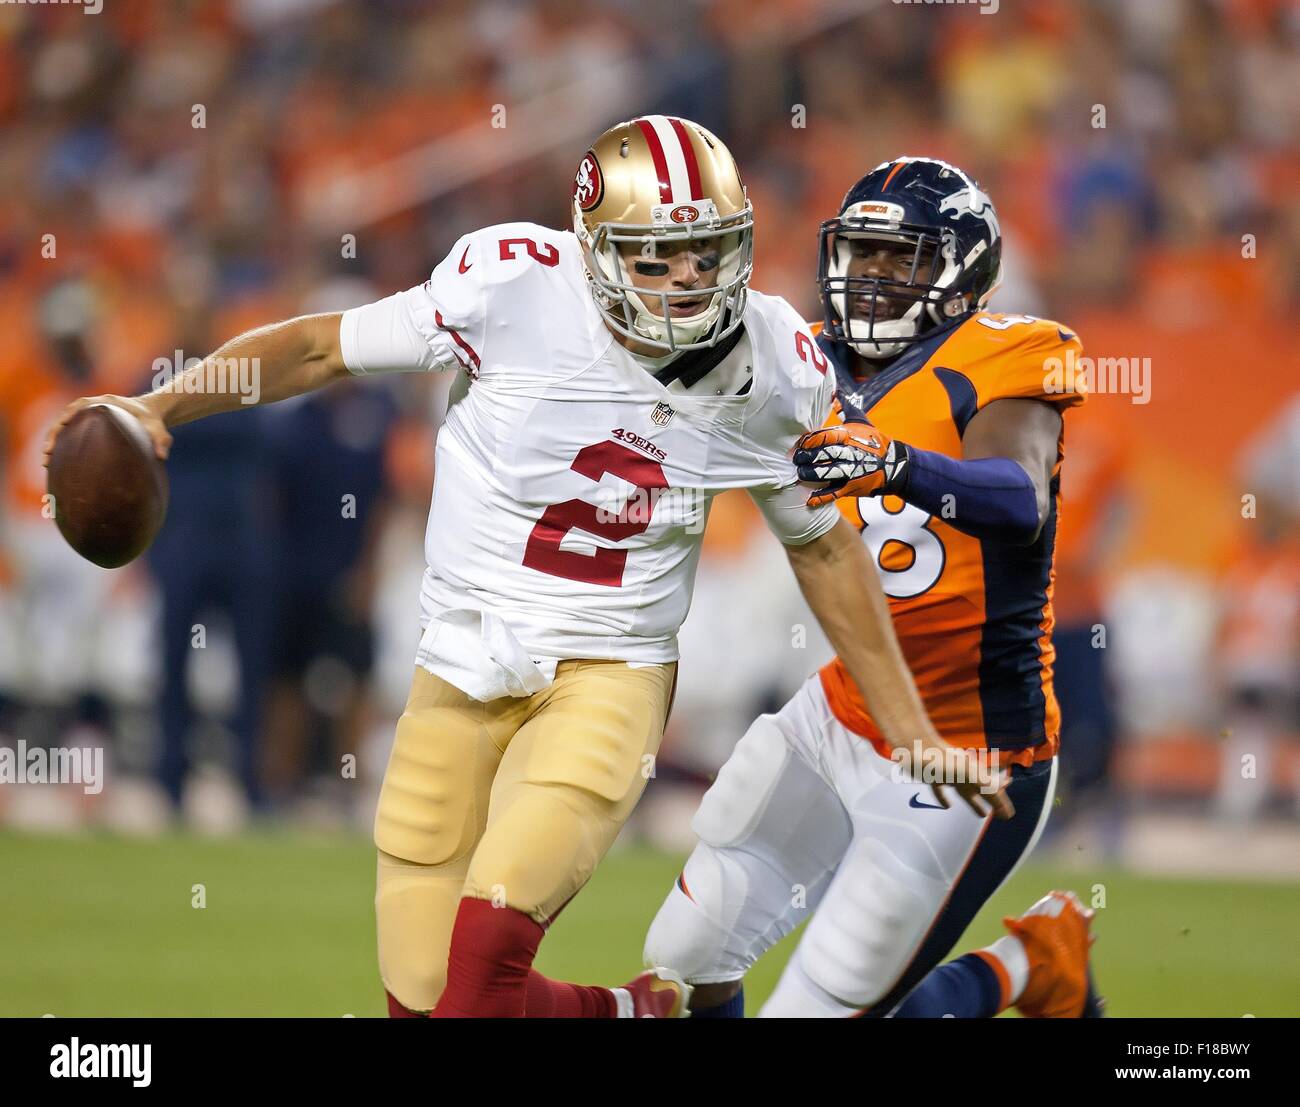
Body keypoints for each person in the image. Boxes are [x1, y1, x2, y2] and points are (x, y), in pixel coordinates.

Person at [44, 121, 1002, 1019]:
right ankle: (633, 1009)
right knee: (422, 1004)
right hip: (458, 667)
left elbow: (824, 546)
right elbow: (315, 348)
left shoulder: (774, 365)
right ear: (591, 252)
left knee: (481, 968)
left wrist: (908, 725)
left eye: (704, 251)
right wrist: (158, 409)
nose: (683, 279)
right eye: (653, 257)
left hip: (608, 673)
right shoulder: (508, 288)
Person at [644, 157, 1102, 1018]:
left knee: (832, 1008)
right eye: (862, 254)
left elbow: (1018, 499)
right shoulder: (801, 357)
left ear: (962, 268)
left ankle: (1026, 968)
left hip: (972, 749)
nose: (873, 277)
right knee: (683, 956)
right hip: (846, 710)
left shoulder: (1005, 356)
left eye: (903, 258)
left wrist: (897, 462)